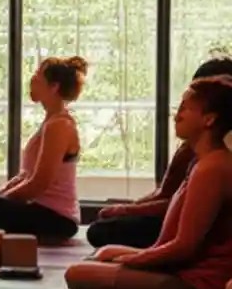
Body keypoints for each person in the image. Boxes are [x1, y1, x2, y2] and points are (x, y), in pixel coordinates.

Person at [64, 75, 232, 289]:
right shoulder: (201, 162)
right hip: (180, 272)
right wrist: (124, 257)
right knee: (104, 252)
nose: (177, 114)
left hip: (198, 287)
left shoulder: (212, 168)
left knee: (76, 273)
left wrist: (133, 260)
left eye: (186, 108)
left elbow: (183, 248)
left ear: (209, 119)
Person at [89, 57, 232, 249]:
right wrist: (128, 208)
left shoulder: (215, 157)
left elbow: (183, 240)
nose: (177, 115)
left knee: (101, 235)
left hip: (190, 235)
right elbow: (168, 194)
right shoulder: (195, 146)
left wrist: (127, 214)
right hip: (175, 223)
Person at [0, 56, 88, 243]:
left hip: (57, 218)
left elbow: (39, 183)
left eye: (37, 78)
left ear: (54, 87)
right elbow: (25, 177)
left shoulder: (60, 126)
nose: (31, 82)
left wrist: (3, 201)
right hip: (40, 210)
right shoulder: (50, 123)